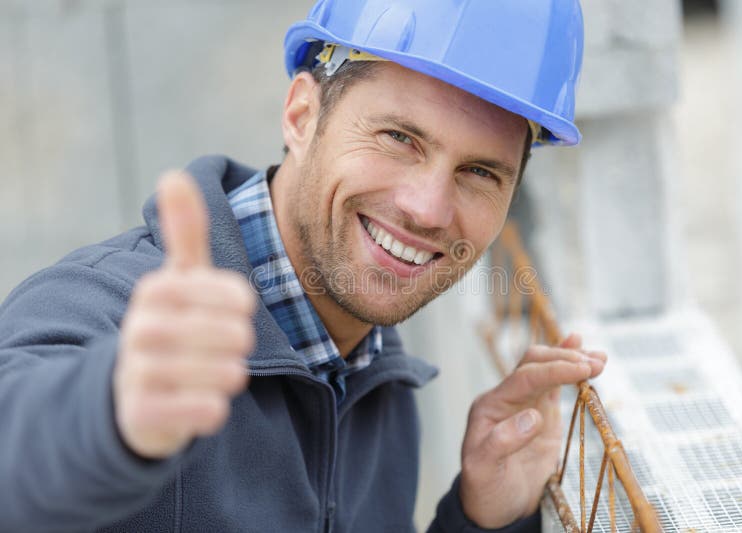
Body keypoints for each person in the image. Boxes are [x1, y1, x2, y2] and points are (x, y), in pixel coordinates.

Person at [0, 1, 607, 531]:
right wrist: (108, 415)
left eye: (479, 172)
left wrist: (479, 521)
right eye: (399, 137)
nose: (427, 209)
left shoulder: (378, 378)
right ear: (301, 116)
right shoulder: (110, 313)